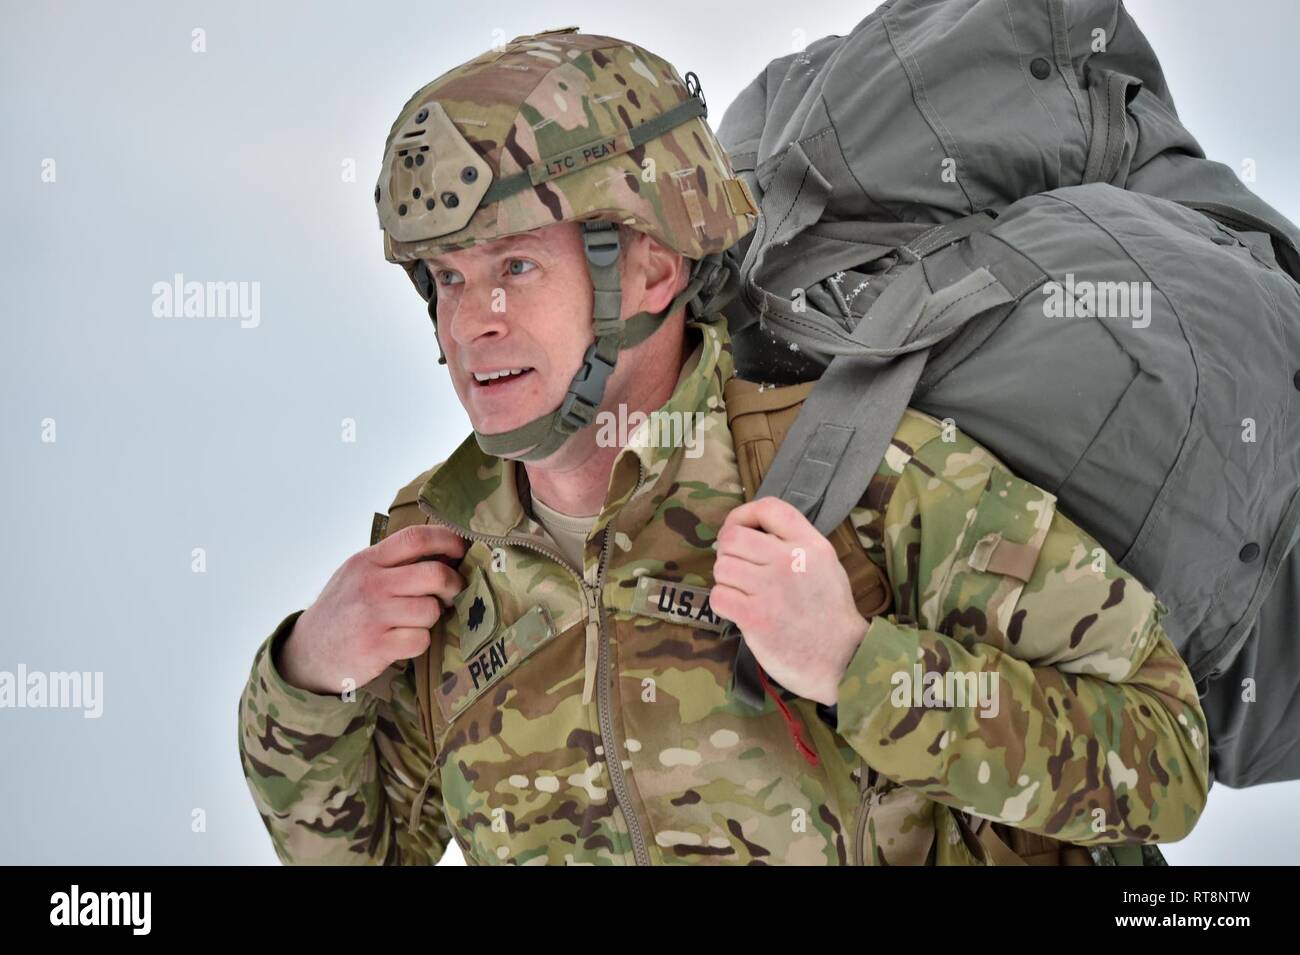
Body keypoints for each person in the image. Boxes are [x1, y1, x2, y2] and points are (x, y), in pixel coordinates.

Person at [237, 27, 1208, 865]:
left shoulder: (857, 479)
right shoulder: (438, 557)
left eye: (516, 266)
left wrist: (858, 665)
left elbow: (1162, 761)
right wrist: (308, 679)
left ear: (652, 266)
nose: (473, 321)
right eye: (446, 279)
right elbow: (357, 849)